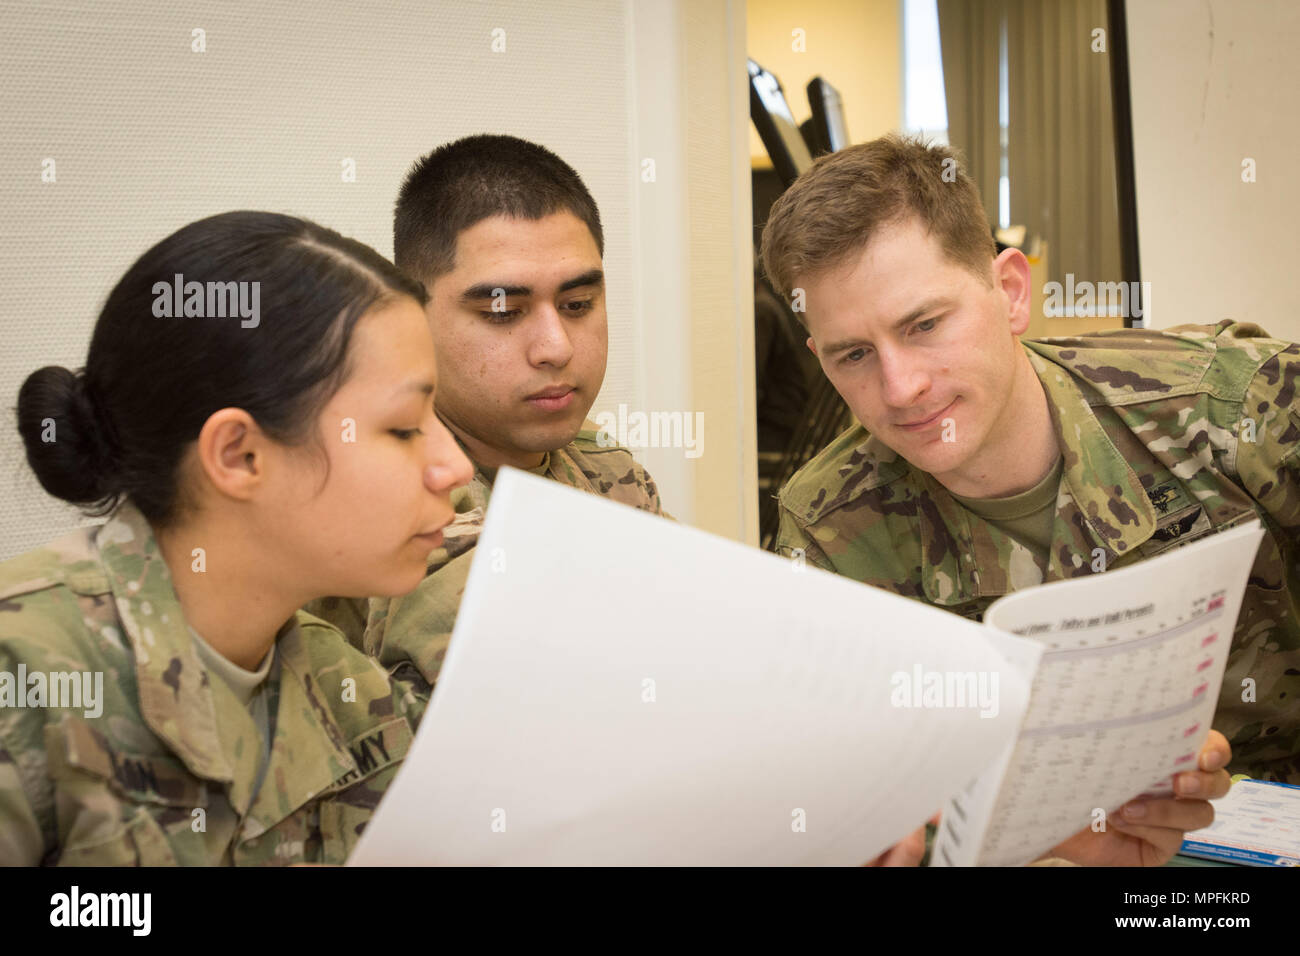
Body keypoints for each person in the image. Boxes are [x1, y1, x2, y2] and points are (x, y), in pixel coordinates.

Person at [759, 134, 1291, 861]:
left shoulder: (1232, 407)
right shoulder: (826, 527)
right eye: (854, 354)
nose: (901, 387)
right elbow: (838, 794)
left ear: (1010, 292)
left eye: (925, 325)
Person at [0, 211, 473, 865]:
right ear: (241, 455)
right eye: (402, 427)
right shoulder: (26, 672)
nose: (456, 467)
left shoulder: (336, 682)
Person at [309, 135, 668, 692]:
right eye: (503, 313)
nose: (555, 347)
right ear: (414, 316)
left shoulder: (604, 467)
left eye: (577, 306)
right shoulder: (386, 496)